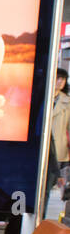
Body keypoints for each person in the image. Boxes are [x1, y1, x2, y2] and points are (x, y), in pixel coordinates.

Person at [49, 68, 69, 198]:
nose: (60, 81)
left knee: (50, 186)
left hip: (59, 151)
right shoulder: (42, 96)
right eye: (58, 78)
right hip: (41, 150)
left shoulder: (67, 102)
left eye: (63, 79)